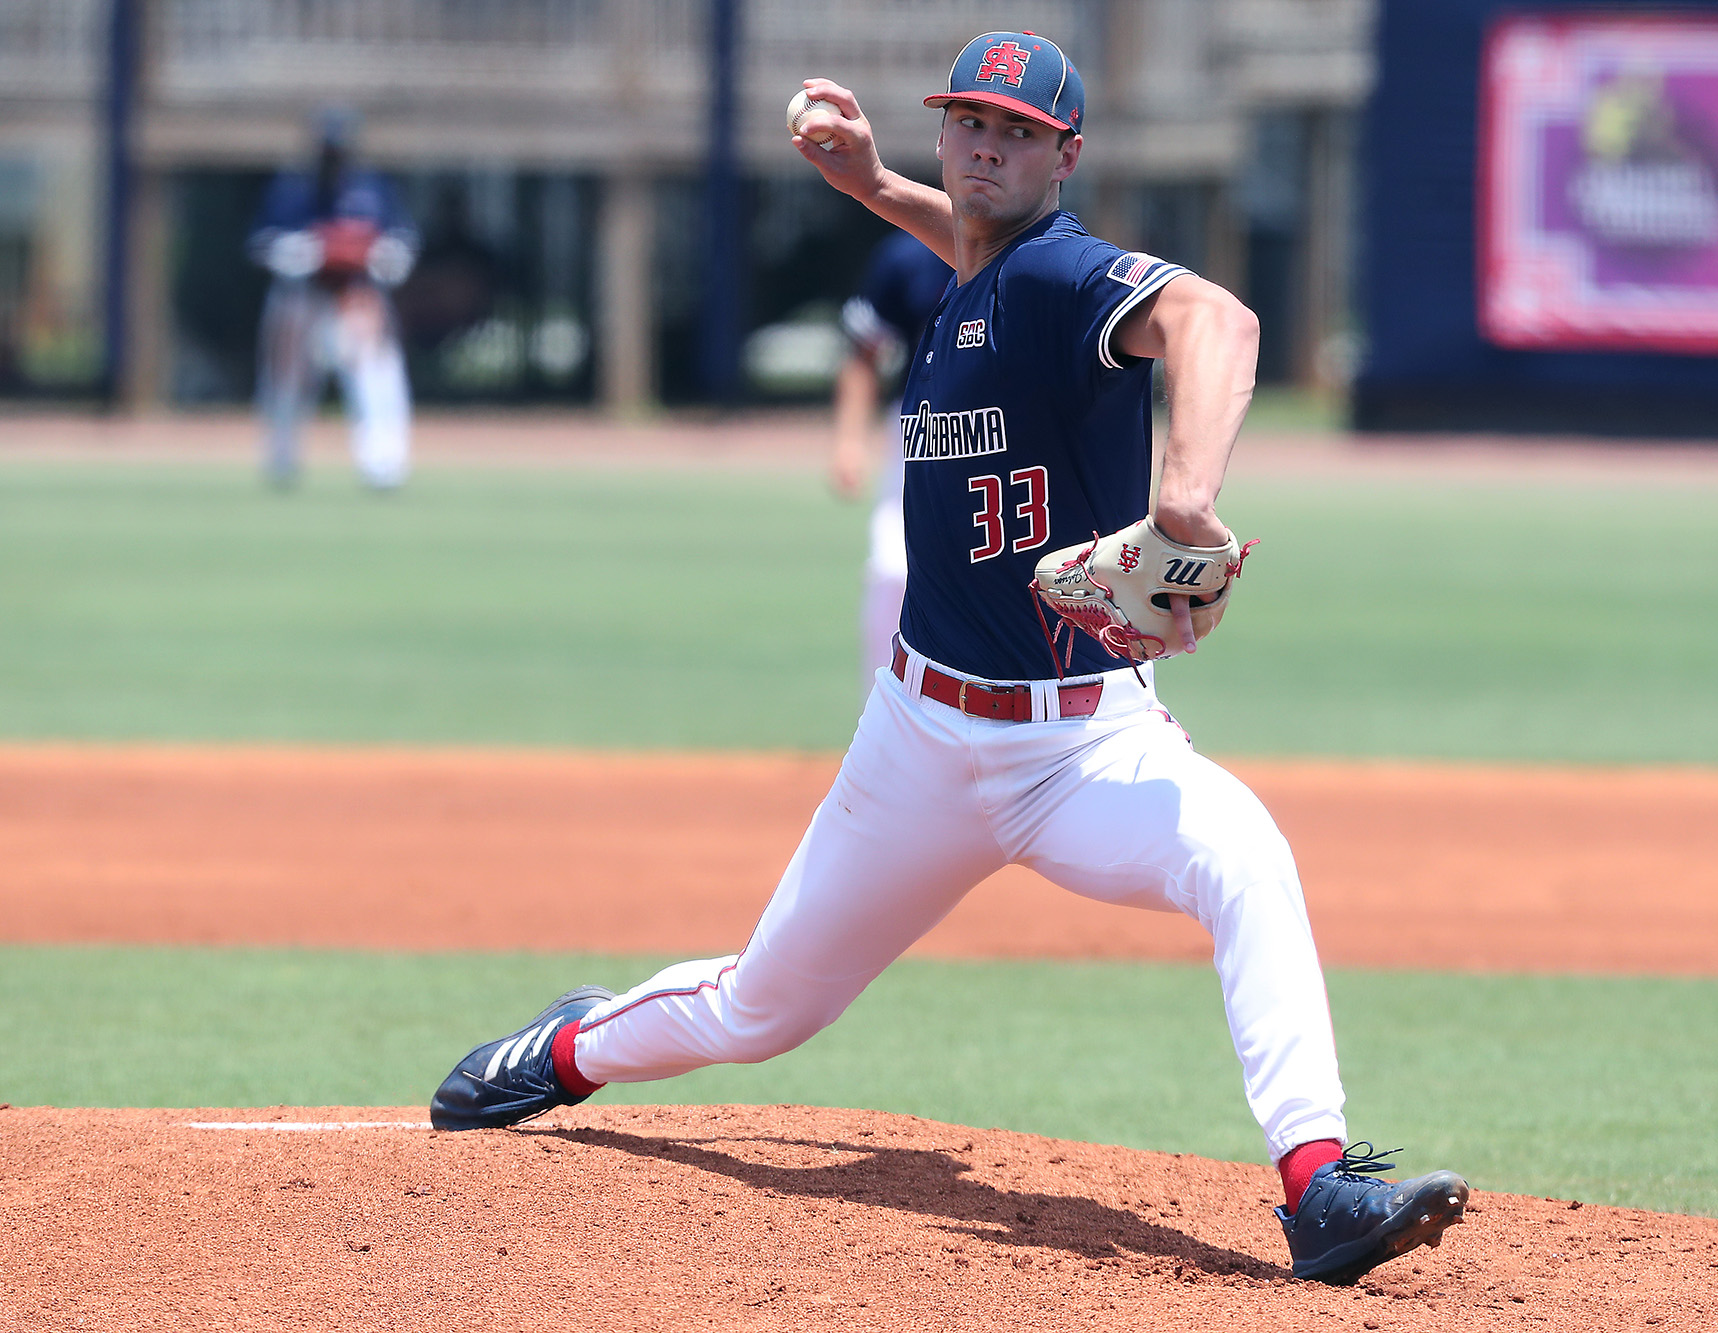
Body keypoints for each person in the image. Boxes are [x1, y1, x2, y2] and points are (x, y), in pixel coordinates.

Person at [429, 32, 1469, 1287]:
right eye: (969, 122)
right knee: (763, 1009)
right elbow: (969, 243)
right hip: (920, 743)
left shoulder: (1062, 277)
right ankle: (570, 1049)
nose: (985, 145)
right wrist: (868, 183)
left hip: (1085, 741)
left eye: (1016, 132)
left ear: (1064, 155)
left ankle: (1317, 1189)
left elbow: (1220, 319)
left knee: (1243, 854)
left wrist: (1185, 494)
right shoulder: (979, 273)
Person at [246, 109, 418, 490]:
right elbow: (260, 243)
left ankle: (383, 464)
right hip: (301, 297)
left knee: (376, 373)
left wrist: (372, 255)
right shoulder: (292, 188)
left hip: (355, 295)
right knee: (286, 379)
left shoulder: (373, 188)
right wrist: (305, 252)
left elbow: (402, 243)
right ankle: (281, 459)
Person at [831, 230, 954, 697]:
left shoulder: (1041, 254)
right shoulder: (908, 255)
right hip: (920, 432)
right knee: (892, 572)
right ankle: (883, 712)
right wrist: (848, 440)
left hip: (1013, 435)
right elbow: (863, 352)